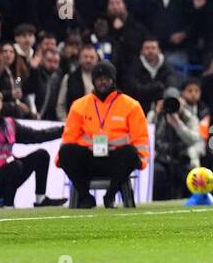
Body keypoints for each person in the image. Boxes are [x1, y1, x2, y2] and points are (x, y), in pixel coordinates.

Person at [56, 60, 150, 208]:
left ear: (113, 80)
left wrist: (141, 160)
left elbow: (141, 138)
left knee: (131, 153)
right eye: (99, 79)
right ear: (93, 81)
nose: (103, 82)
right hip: (89, 158)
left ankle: (110, 196)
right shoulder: (79, 105)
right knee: (66, 152)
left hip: (116, 159)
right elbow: (69, 137)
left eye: (106, 78)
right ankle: (85, 197)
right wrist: (61, 158)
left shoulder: (131, 105)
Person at [0, 88, 67, 207]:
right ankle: (8, 206)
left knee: (42, 155)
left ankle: (40, 199)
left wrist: (63, 131)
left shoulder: (10, 123)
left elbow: (36, 136)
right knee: (15, 166)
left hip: (8, 174)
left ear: (1, 104)